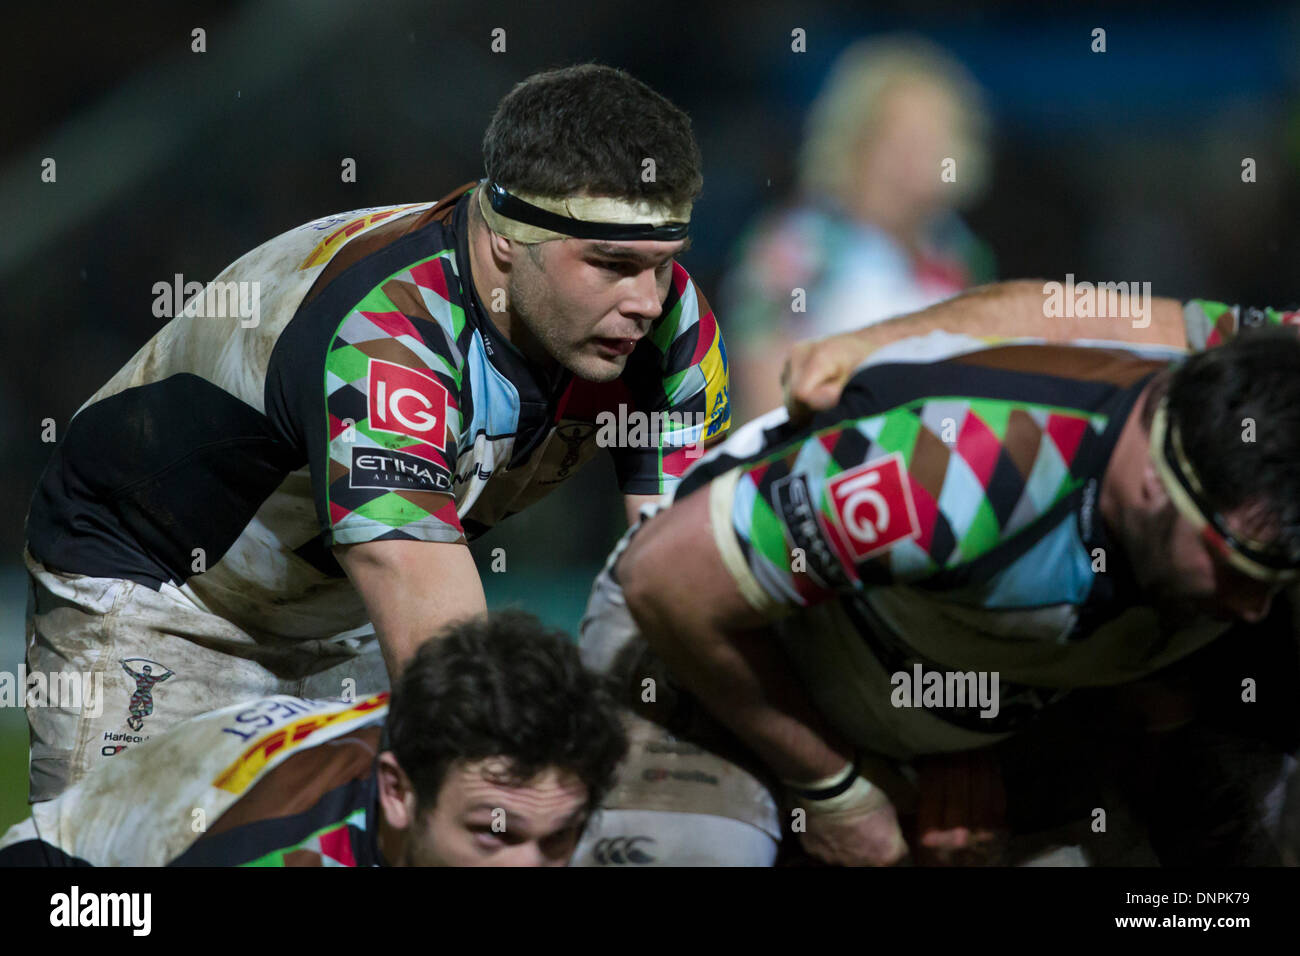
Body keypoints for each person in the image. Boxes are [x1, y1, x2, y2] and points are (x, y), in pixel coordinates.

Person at [22, 63, 728, 800]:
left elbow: (682, 580)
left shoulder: (672, 324)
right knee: (109, 891)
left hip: (344, 600)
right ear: (505, 242)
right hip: (159, 591)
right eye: (611, 264)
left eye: (662, 265)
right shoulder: (387, 338)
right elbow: (448, 651)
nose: (648, 301)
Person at [573, 289, 1300, 867]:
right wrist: (839, 785)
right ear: (1154, 486)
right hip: (710, 644)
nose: (1255, 606)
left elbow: (1070, 306)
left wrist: (988, 760)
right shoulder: (952, 470)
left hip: (967, 700)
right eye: (1242, 567)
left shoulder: (1275, 356)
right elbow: (668, 580)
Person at [0, 612, 626, 867]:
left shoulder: (457, 758)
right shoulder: (278, 849)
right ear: (399, 793)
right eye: (495, 834)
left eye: (559, 839)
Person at [721, 35, 995, 421]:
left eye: (935, 142)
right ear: (857, 142)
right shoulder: (796, 247)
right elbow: (765, 393)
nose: (919, 161)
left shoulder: (957, 252)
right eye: (902, 141)